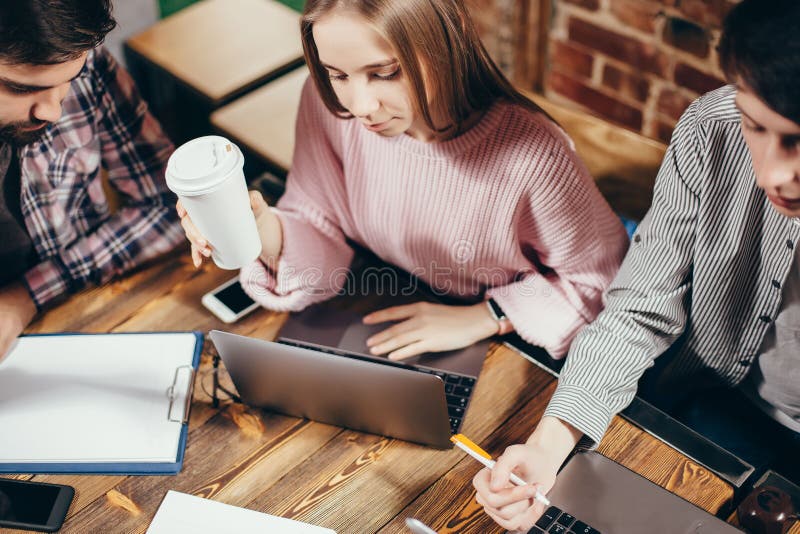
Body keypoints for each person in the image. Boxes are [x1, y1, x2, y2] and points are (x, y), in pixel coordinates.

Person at [473, 0, 800, 529]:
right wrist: (547, 444)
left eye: (797, 141)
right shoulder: (710, 128)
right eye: (755, 127)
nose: (773, 174)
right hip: (700, 403)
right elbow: (641, 310)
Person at [179, 0, 628, 361]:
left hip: (509, 337)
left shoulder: (532, 153)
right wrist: (261, 230)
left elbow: (602, 284)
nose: (360, 105)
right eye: (337, 75)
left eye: (384, 73)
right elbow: (320, 227)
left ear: (443, 48)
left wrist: (489, 314)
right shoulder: (326, 107)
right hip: (385, 296)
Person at [0, 1, 183, 360]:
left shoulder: (84, 59)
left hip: (81, 315)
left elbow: (169, 203)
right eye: (22, 89)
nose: (53, 112)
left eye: (69, 80)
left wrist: (26, 296)